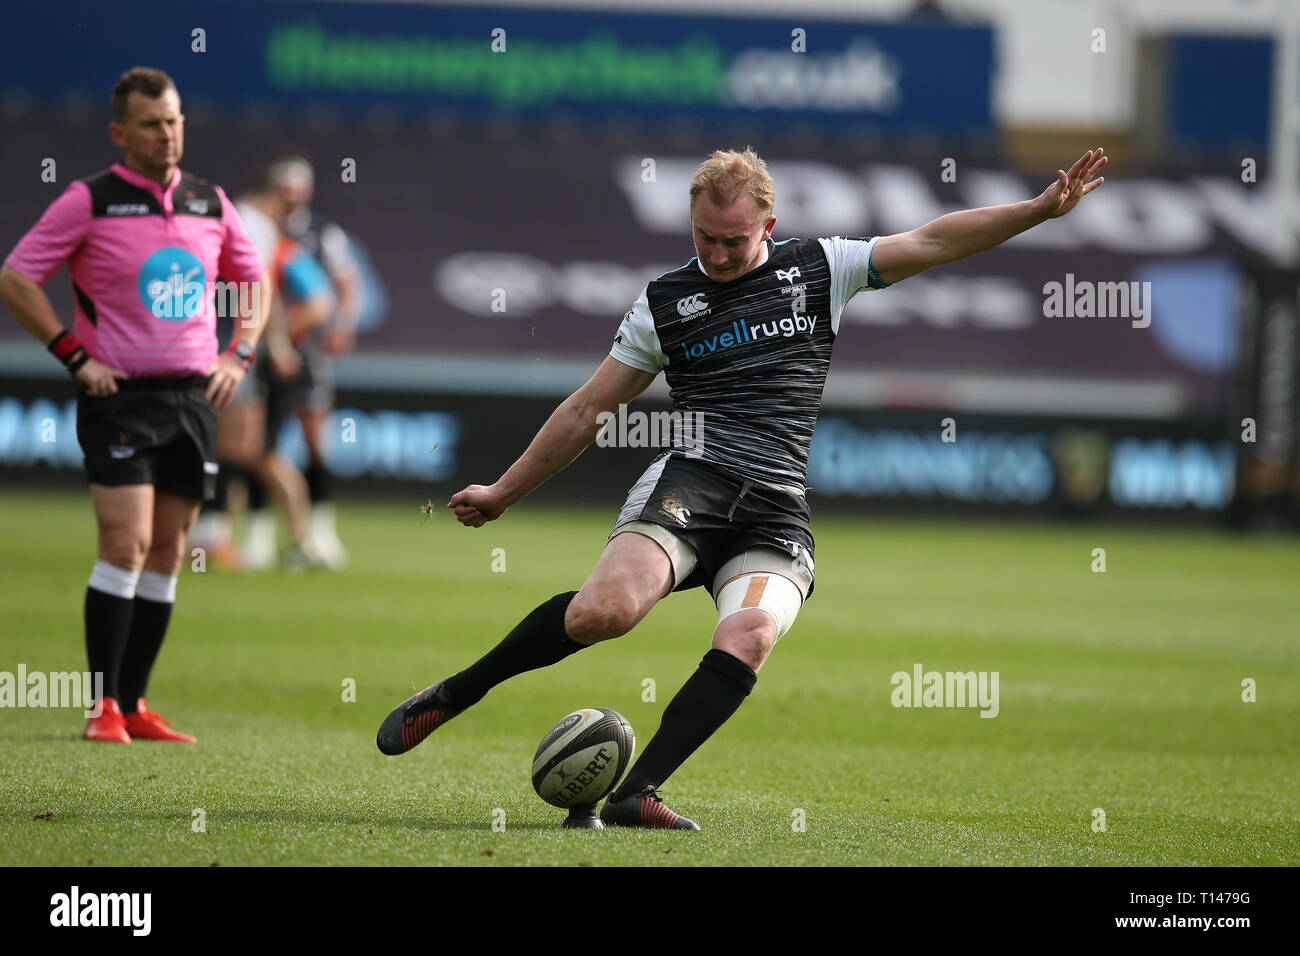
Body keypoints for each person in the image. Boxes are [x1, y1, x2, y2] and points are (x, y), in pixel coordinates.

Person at [376, 146, 1107, 828]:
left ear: (769, 225)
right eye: (704, 238)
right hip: (692, 481)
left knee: (751, 632)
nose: (718, 255)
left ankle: (638, 793)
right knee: (606, 611)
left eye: (734, 240)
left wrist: (1037, 210)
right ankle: (454, 693)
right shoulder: (666, 302)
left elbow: (936, 240)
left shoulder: (825, 267)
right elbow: (587, 410)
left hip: (776, 508)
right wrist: (505, 491)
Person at [0, 66, 270, 743]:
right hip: (119, 398)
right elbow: (16, 277)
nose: (167, 134)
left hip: (192, 399)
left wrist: (239, 353)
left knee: (169, 552)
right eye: (151, 124)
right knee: (126, 543)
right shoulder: (87, 201)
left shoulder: (210, 201)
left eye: (174, 120)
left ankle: (135, 703)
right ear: (121, 133)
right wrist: (72, 354)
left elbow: (253, 278)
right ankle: (100, 708)